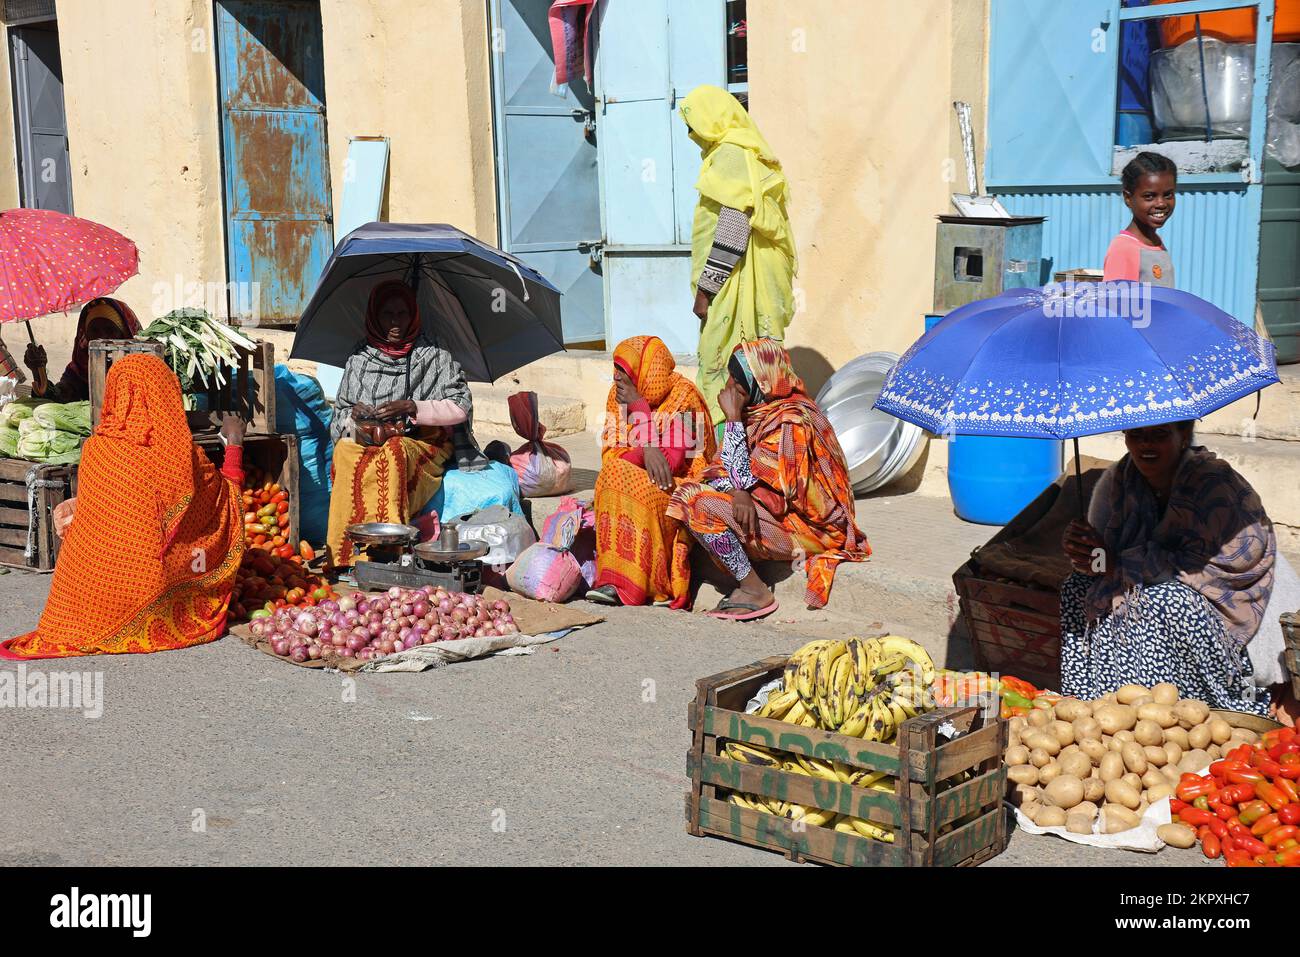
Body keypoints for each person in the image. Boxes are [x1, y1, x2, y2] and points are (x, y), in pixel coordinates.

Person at [1, 354, 246, 659]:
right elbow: (222, 506)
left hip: (78, 605)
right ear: (165, 395)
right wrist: (234, 443)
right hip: (141, 596)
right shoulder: (179, 456)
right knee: (190, 545)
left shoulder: (96, 449)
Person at [1059, 421, 1277, 715]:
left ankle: (1176, 711)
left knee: (1165, 599)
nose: (1145, 446)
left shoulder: (1214, 485)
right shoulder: (1124, 478)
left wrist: (1119, 565)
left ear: (1183, 436)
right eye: (1135, 435)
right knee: (1076, 586)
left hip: (1215, 593)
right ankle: (1091, 702)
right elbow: (1106, 557)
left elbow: (1234, 561)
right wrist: (1088, 551)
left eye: (1159, 436)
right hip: (1139, 574)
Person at [667, 339, 869, 620]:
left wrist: (734, 420)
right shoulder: (759, 414)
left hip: (809, 530)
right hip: (773, 516)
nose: (729, 388)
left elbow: (772, 499)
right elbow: (722, 471)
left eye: (737, 381)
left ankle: (754, 590)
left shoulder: (791, 423)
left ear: (761, 382)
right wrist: (738, 488)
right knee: (687, 492)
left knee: (695, 501)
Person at [326, 279, 473, 567]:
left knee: (394, 452)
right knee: (344, 451)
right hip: (369, 439)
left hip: (423, 441)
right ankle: (343, 555)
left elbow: (461, 405)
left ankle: (388, 550)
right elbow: (340, 412)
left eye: (402, 314)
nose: (395, 323)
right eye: (387, 315)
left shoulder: (433, 353)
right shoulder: (359, 357)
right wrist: (354, 416)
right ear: (374, 317)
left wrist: (414, 407)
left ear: (413, 315)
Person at [680, 84, 797, 432]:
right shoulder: (746, 153)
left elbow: (734, 227)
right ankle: (749, 457)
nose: (690, 135)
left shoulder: (730, 156)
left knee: (727, 370)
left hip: (734, 287)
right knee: (755, 372)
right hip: (737, 284)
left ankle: (733, 463)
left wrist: (706, 290)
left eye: (691, 124)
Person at [586, 336, 716, 608]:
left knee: (630, 479)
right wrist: (646, 450)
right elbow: (613, 452)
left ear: (647, 372)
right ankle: (612, 580)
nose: (616, 376)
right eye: (615, 368)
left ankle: (649, 584)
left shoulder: (684, 398)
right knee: (612, 473)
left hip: (679, 489)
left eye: (624, 371)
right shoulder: (616, 398)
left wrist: (641, 414)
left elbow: (667, 467)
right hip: (637, 477)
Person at [23, 297, 141, 401]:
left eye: (110, 330)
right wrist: (38, 371)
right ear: (85, 334)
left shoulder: (141, 371)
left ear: (124, 335)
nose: (101, 337)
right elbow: (58, 398)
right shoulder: (79, 371)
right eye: (94, 330)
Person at [1103, 152, 1177, 287]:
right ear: (1128, 198)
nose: (1161, 203)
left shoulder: (1155, 242)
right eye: (1149, 196)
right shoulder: (1123, 249)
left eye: (1168, 195)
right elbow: (1114, 304)